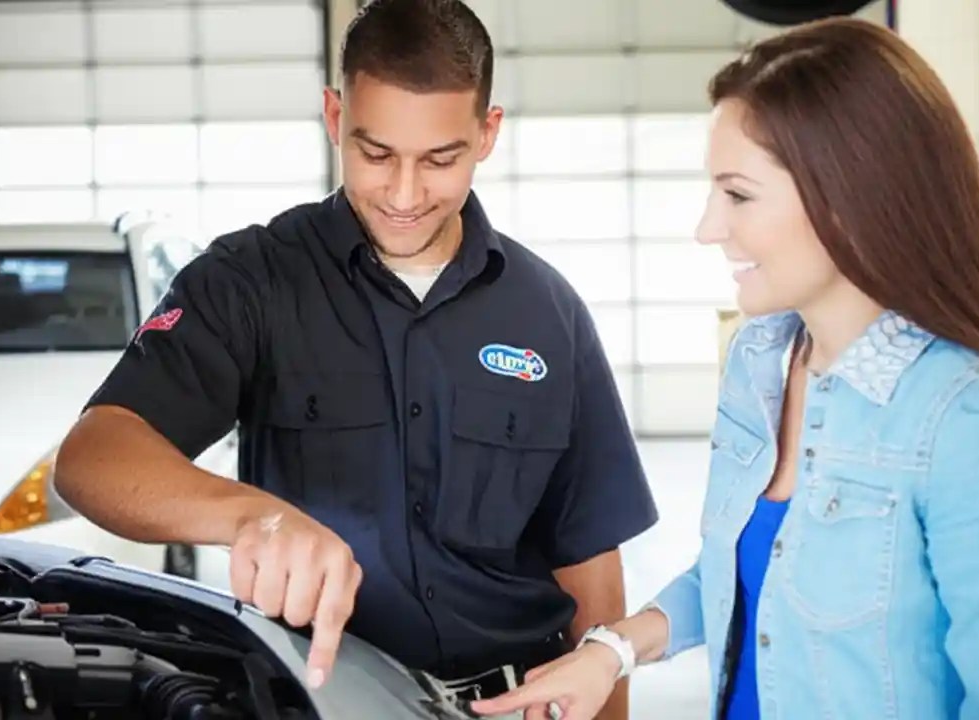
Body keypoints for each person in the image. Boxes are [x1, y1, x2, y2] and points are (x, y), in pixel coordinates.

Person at [52, 0, 657, 716]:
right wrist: (251, 517)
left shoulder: (547, 311)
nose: (404, 194)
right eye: (377, 154)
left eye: (440, 159)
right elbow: (93, 457)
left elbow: (591, 569)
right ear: (336, 118)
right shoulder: (251, 281)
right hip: (323, 701)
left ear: (487, 133)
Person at [471, 17, 979, 720]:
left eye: (738, 194)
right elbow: (737, 577)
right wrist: (610, 654)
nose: (707, 227)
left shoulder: (976, 422)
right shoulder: (759, 363)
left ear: (850, 197)